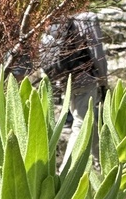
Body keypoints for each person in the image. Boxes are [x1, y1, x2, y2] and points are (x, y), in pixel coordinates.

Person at [38, 12, 108, 163]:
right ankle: (67, 170)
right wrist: (103, 81)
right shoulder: (87, 19)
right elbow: (98, 54)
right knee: (81, 123)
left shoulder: (54, 22)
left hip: (64, 80)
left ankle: (103, 158)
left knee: (86, 118)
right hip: (85, 79)